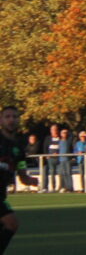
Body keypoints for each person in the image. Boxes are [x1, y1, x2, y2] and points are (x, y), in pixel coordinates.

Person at [1, 106, 39, 253]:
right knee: (11, 223)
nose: (11, 120)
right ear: (1, 120)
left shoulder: (18, 148)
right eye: (7, 116)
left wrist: (30, 180)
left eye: (15, 117)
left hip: (1, 194)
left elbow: (22, 174)